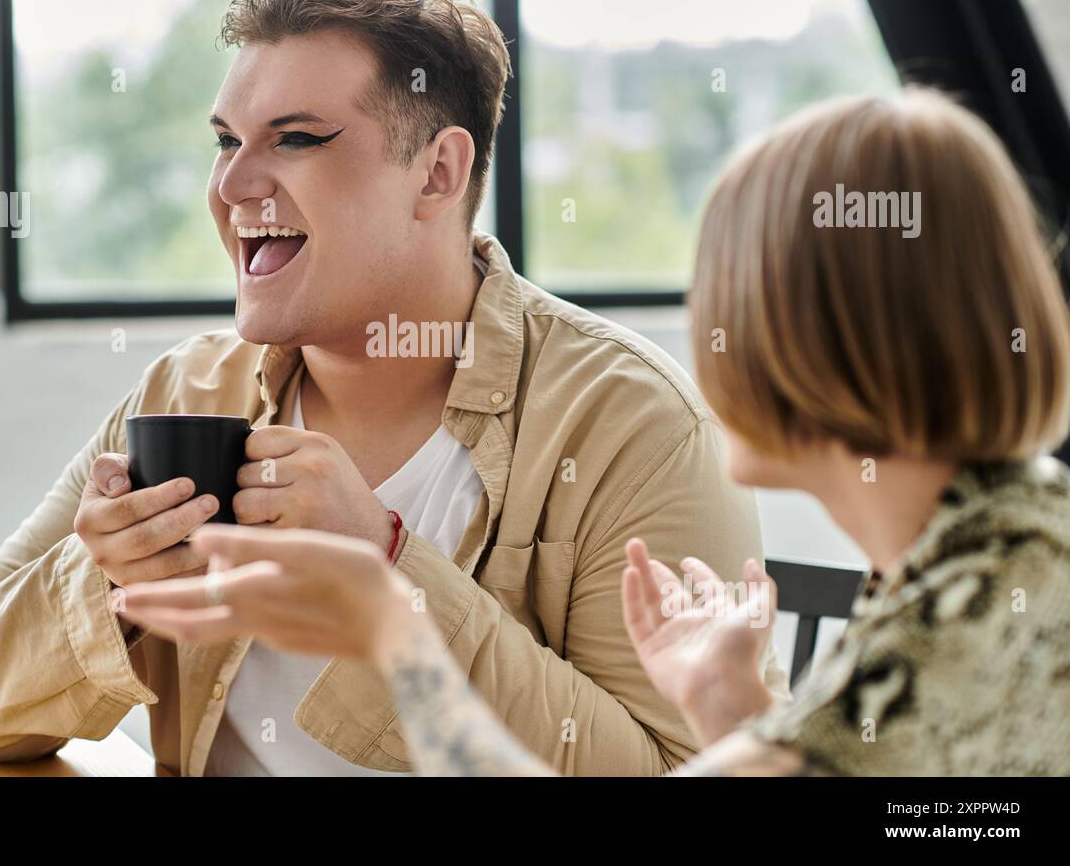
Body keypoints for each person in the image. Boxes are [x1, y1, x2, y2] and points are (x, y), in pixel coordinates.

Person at [0, 0, 786, 776]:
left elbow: (687, 771)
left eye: (295, 138)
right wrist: (104, 582)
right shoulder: (190, 392)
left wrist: (388, 574)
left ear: (438, 174)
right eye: (226, 141)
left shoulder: (629, 426)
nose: (233, 186)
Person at [123, 89, 1070, 776]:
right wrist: (733, 712)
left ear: (807, 341)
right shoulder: (1011, 553)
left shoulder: (936, 649)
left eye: (722, 294)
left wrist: (397, 629)